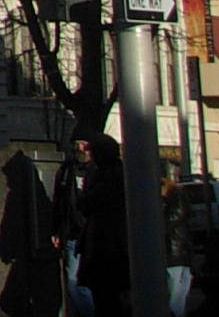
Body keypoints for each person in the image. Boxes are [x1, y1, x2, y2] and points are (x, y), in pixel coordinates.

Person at [0, 148, 61, 317]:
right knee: (31, 301)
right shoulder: (35, 194)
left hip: (34, 256)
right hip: (36, 255)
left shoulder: (23, 196)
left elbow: (11, 225)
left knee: (15, 300)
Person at [78, 136, 130, 317]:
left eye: (94, 152)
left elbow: (88, 203)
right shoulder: (106, 173)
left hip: (110, 251)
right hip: (106, 250)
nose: (91, 156)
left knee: (109, 301)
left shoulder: (111, 176)